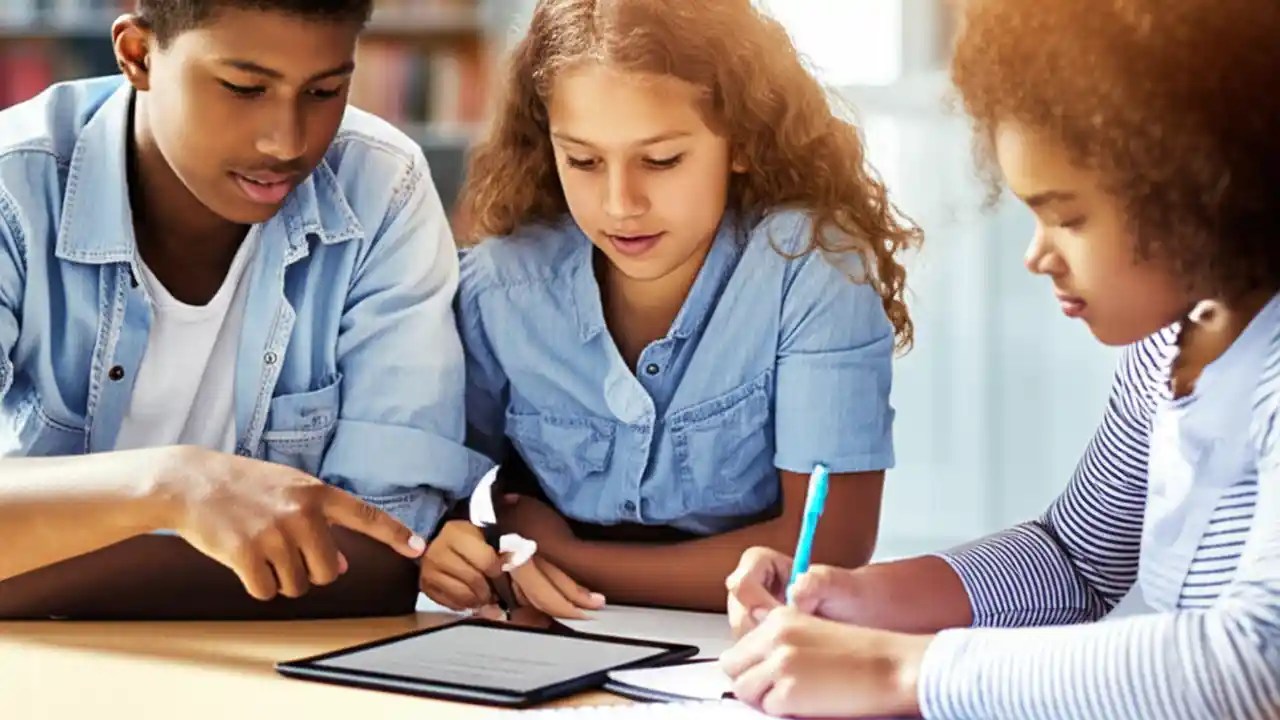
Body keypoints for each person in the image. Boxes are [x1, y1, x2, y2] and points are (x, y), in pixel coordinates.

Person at [720, 0, 1280, 717]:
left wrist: (907, 671)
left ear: (1202, 187)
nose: (1037, 254)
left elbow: (1259, 662)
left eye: (1069, 217)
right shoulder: (1166, 345)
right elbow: (1075, 560)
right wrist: (867, 599)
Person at [419, 0, 920, 618]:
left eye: (660, 160)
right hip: (541, 636)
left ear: (741, 141)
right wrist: (459, 546)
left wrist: (567, 558)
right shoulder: (502, 284)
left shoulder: (813, 267)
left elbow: (828, 552)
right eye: (582, 160)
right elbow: (436, 497)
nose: (620, 203)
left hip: (738, 647)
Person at [0, 0, 476, 619]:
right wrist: (173, 485)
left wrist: (24, 570)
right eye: (244, 88)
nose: (288, 141)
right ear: (138, 55)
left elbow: (386, 552)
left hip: (270, 676)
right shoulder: (14, 189)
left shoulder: (382, 187)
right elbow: (340, 569)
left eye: (326, 90)